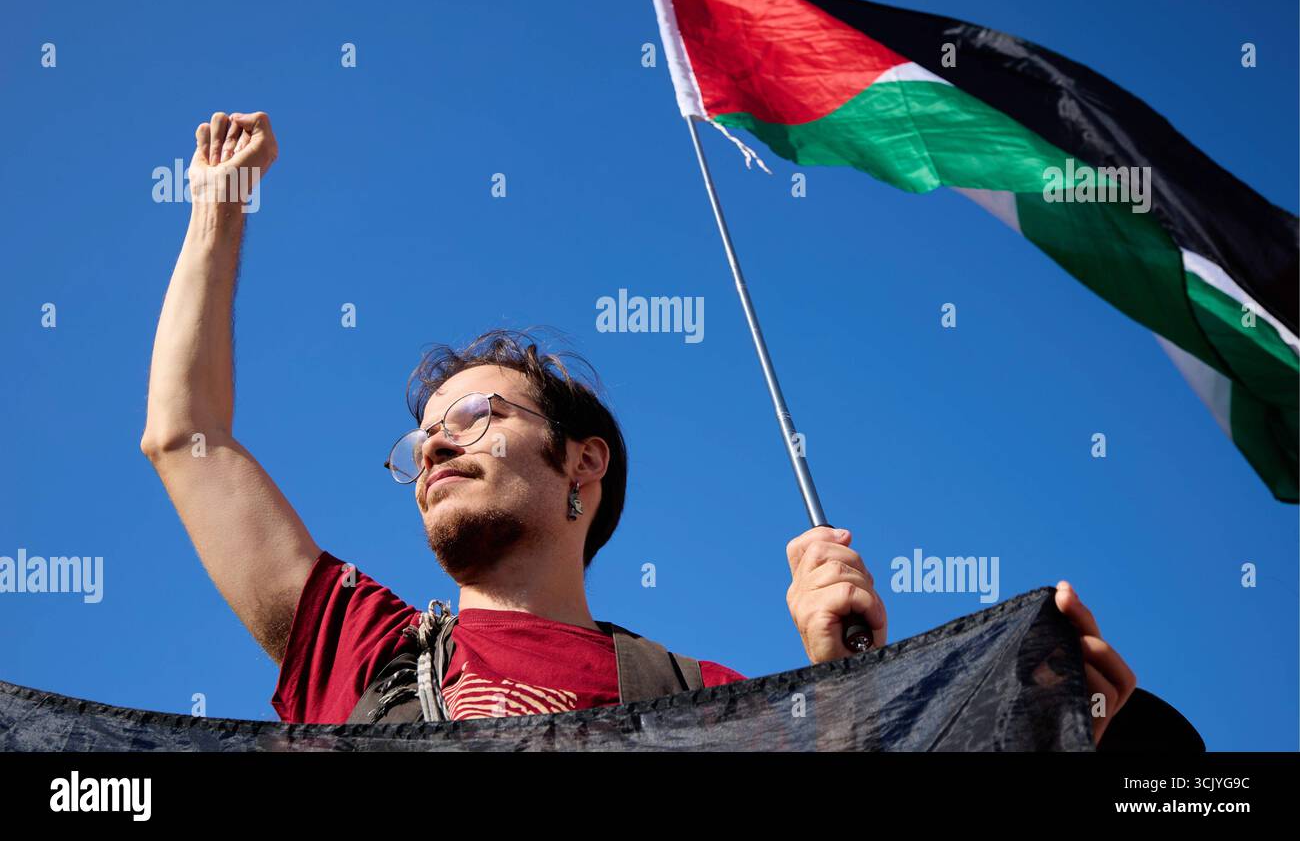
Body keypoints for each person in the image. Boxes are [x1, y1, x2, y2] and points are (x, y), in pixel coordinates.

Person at [140, 111, 1137, 740]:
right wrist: (215, 209)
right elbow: (185, 438)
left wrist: (859, 686)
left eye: (477, 415)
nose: (436, 445)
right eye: (423, 439)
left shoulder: (698, 694)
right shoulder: (358, 644)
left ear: (583, 463)